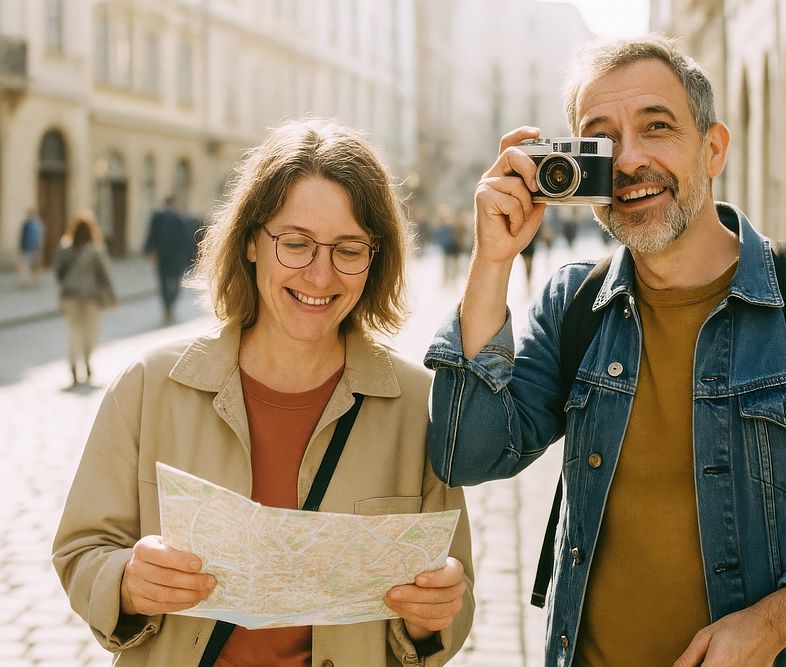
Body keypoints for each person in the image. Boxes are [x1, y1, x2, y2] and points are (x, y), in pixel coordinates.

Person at [423, 34, 786, 667]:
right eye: (602, 139)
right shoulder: (575, 305)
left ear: (713, 147)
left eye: (657, 127)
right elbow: (465, 452)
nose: (630, 160)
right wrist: (493, 261)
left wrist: (773, 623)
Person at [52, 118, 474, 666]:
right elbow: (81, 550)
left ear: (376, 259)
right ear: (252, 241)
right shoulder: (150, 385)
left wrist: (431, 615)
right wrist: (127, 583)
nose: (320, 276)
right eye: (296, 244)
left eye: (348, 250)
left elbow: (453, 608)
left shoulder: (421, 407)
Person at [52, 211, 117, 386]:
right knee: (90, 333)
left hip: (70, 296)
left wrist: (66, 284)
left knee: (73, 332)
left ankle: (74, 365)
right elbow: (105, 274)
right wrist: (112, 296)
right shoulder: (96, 249)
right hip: (91, 298)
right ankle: (87, 360)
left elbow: (57, 270)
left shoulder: (66, 248)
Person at [144, 194, 194, 323]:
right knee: (167, 282)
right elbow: (152, 234)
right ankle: (168, 305)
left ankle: (170, 304)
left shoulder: (179, 218)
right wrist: (151, 251)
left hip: (173, 256)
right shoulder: (161, 217)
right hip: (167, 256)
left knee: (172, 282)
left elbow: (186, 240)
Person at [18, 208, 45, 287]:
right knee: (28, 265)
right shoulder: (35, 224)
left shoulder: (36, 224)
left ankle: (32, 281)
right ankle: (28, 281)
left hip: (32, 247)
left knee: (31, 265)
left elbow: (40, 236)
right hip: (30, 248)